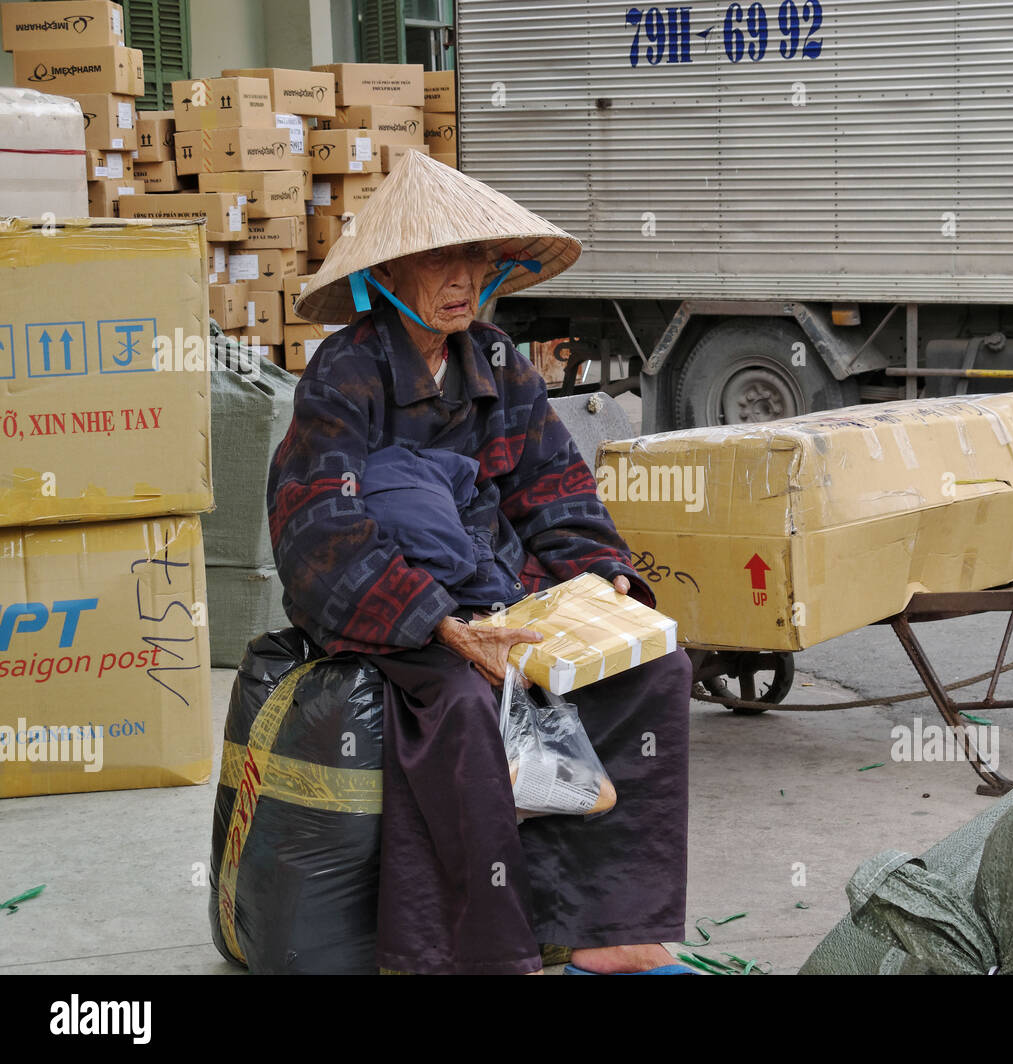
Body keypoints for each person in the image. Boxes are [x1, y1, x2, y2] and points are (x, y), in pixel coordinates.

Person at [266, 152, 694, 975]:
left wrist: (599, 577)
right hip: (388, 606)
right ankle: (492, 954)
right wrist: (439, 622)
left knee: (655, 671)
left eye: (477, 260)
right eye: (439, 259)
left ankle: (611, 934)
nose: (464, 279)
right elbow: (317, 524)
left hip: (502, 594)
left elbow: (554, 487)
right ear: (388, 270)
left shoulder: (496, 359)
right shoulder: (345, 371)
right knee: (466, 706)